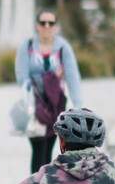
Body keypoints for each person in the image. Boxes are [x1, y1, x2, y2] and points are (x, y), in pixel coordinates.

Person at [15, 10, 86, 173]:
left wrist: (78, 105)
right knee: (38, 147)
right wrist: (51, 78)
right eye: (43, 22)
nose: (46, 26)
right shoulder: (27, 47)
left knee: (48, 149)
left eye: (51, 23)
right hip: (35, 105)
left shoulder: (63, 48)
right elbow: (22, 77)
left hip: (56, 105)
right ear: (37, 25)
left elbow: (72, 76)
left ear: (56, 26)